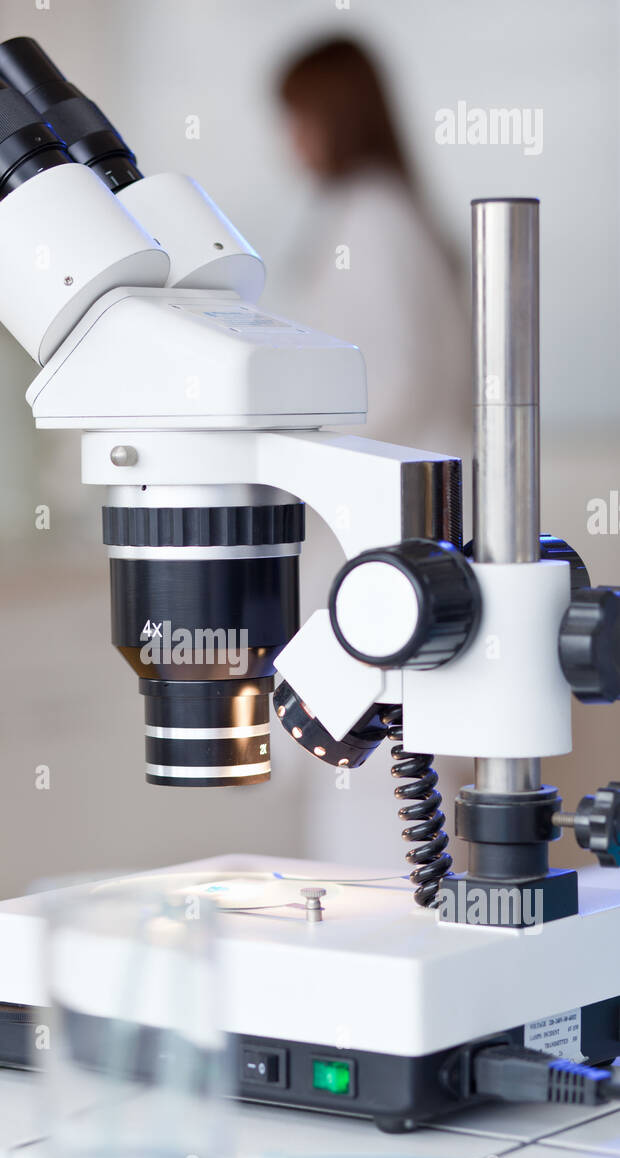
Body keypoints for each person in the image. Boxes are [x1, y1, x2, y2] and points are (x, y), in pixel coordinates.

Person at [265, 37, 472, 869]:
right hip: (401, 543)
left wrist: (285, 444)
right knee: (390, 771)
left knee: (376, 794)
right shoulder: (390, 212)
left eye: (295, 119)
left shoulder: (373, 218)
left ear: (330, 115)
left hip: (391, 546)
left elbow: (396, 377)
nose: (290, 142)